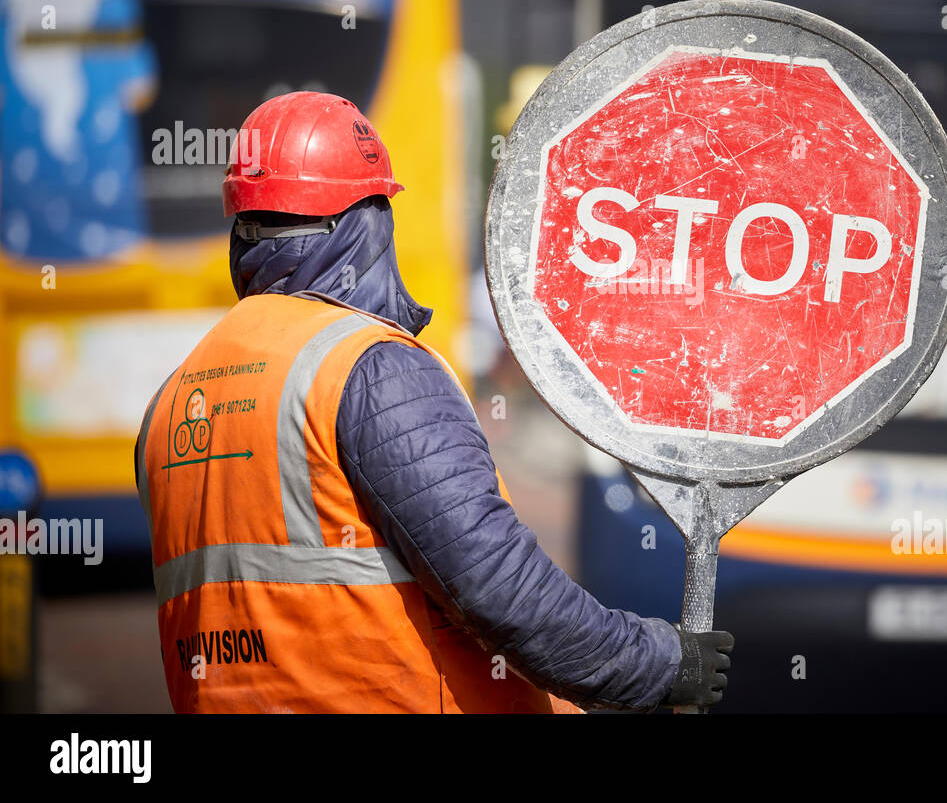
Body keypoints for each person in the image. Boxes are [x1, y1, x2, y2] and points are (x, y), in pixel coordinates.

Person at [134, 91, 733, 712]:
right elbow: (494, 582)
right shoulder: (368, 368)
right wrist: (658, 662)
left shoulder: (172, 402)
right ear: (366, 221)